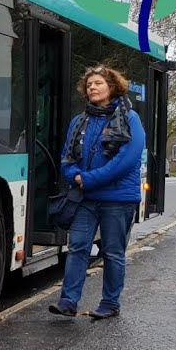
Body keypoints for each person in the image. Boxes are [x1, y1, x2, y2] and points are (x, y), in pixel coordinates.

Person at [49, 65, 145, 320]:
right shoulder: (79, 121)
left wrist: (89, 179)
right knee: (78, 248)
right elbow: (67, 158)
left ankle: (110, 303)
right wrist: (74, 176)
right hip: (86, 198)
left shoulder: (129, 119)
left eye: (98, 83)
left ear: (112, 87)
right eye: (89, 84)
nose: (92, 87)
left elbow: (127, 160)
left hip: (117, 199)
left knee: (112, 252)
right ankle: (68, 302)